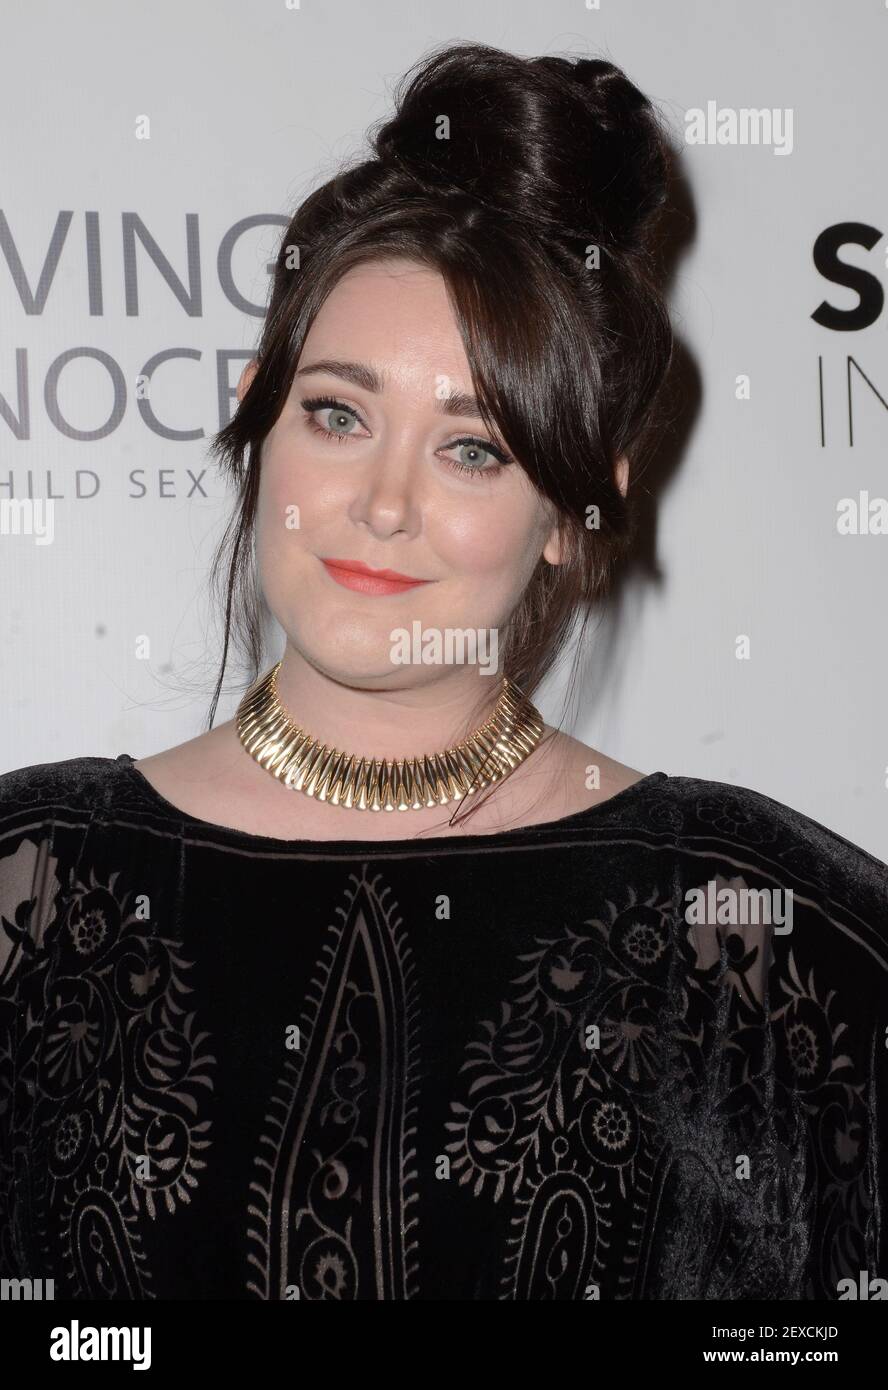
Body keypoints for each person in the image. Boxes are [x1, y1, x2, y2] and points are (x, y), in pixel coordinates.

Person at [1, 41, 886, 1302]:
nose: (384, 504)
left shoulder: (766, 932)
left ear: (579, 505)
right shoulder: (29, 886)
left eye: (474, 448)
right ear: (256, 414)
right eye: (339, 414)